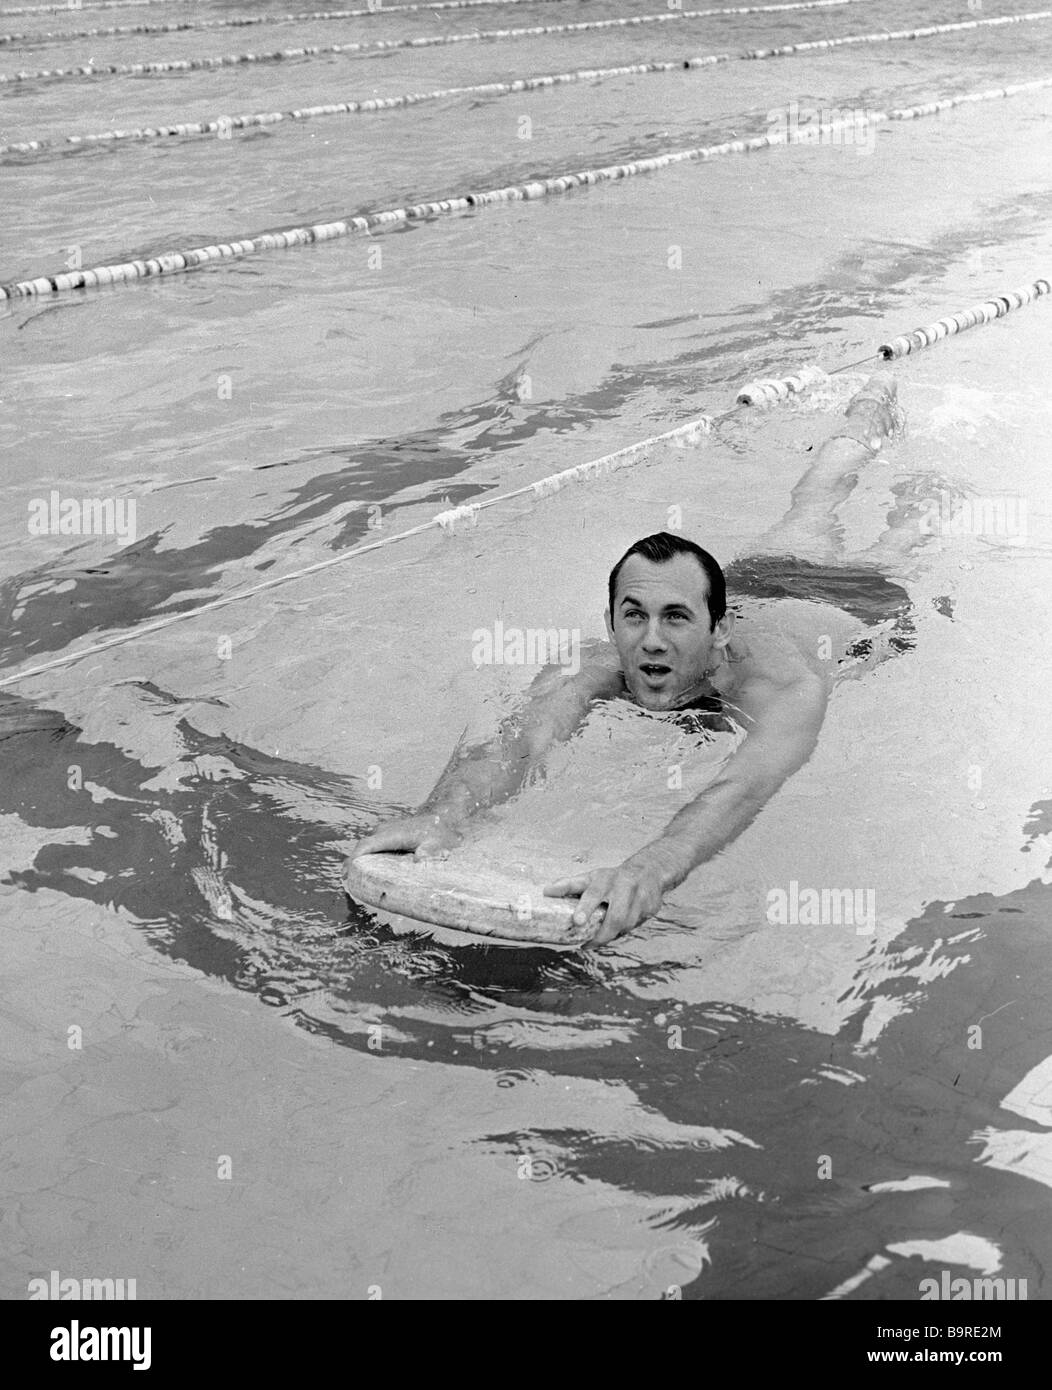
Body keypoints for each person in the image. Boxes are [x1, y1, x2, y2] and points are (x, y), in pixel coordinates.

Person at [349, 372, 928, 945]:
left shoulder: (782, 686)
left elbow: (742, 788)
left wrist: (648, 870)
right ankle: (869, 403)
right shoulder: (595, 663)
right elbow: (520, 740)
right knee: (812, 500)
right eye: (634, 616)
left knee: (901, 536)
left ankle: (917, 465)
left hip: (857, 610)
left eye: (674, 618)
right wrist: (444, 812)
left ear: (716, 629)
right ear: (611, 622)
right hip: (762, 581)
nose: (651, 640)